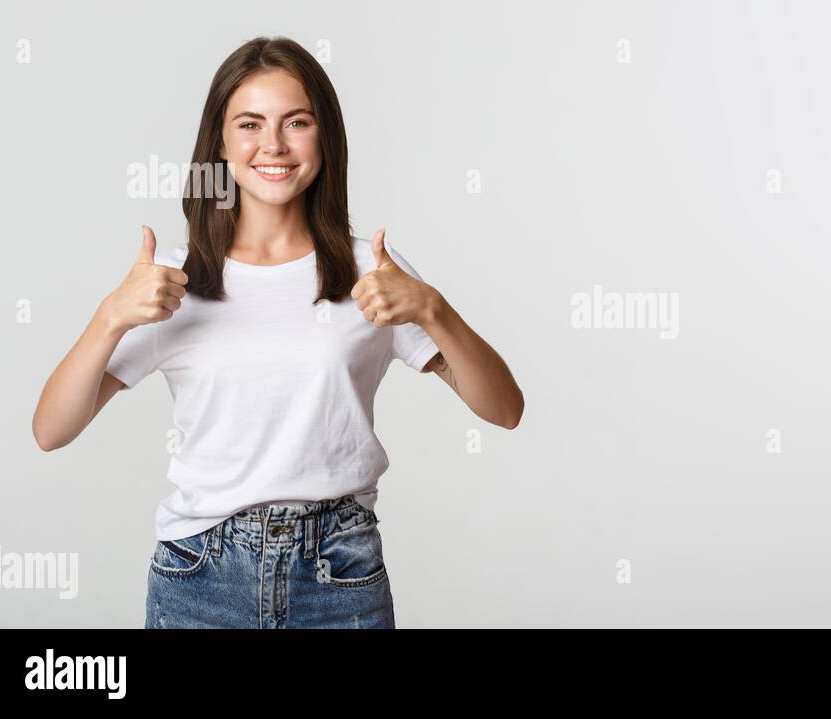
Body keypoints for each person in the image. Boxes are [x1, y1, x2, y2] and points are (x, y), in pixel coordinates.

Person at [30, 36, 524, 628]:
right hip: (201, 577)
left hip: (340, 575)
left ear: (325, 137)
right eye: (249, 124)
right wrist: (110, 316)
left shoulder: (373, 271)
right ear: (220, 142)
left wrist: (433, 310)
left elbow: (505, 409)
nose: (274, 145)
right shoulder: (178, 280)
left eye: (296, 122)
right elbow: (51, 431)